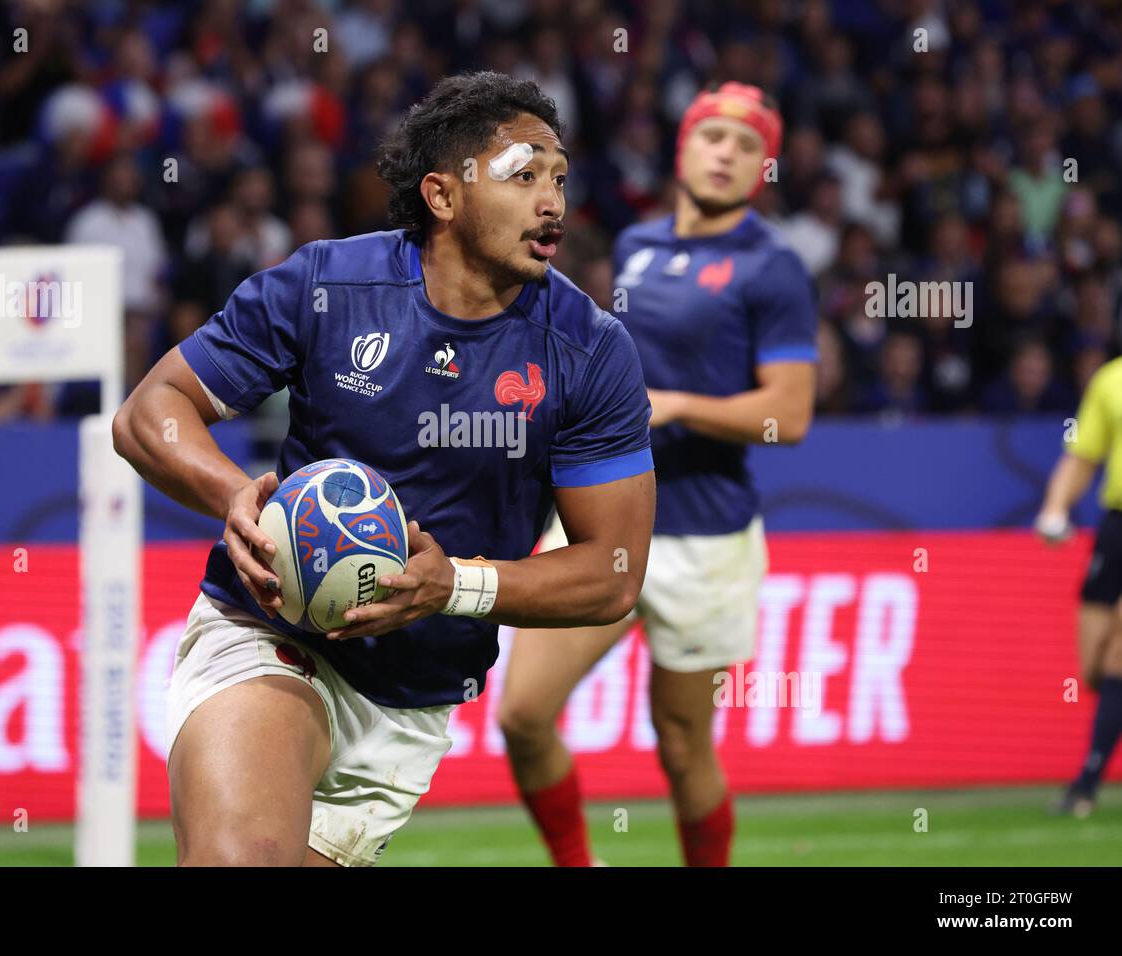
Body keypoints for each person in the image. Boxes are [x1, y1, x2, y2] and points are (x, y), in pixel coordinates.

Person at [112, 72, 656, 867]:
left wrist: (453, 587)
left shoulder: (590, 350)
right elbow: (150, 411)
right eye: (524, 176)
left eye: (560, 178)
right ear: (442, 195)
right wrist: (235, 494)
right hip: (274, 633)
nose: (553, 203)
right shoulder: (328, 286)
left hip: (410, 703)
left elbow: (613, 573)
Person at [498, 83, 817, 867]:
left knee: (680, 745)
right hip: (605, 520)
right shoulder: (637, 244)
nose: (726, 154)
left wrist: (672, 405)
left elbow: (791, 414)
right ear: (683, 149)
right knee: (522, 716)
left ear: (764, 166)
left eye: (747, 146)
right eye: (713, 136)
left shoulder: (773, 268)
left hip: (705, 539)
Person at [1035, 356, 1122, 817]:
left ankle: (1084, 786)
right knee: (1093, 666)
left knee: (1118, 656)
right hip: (1115, 527)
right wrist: (1055, 507)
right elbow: (1082, 456)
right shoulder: (1110, 380)